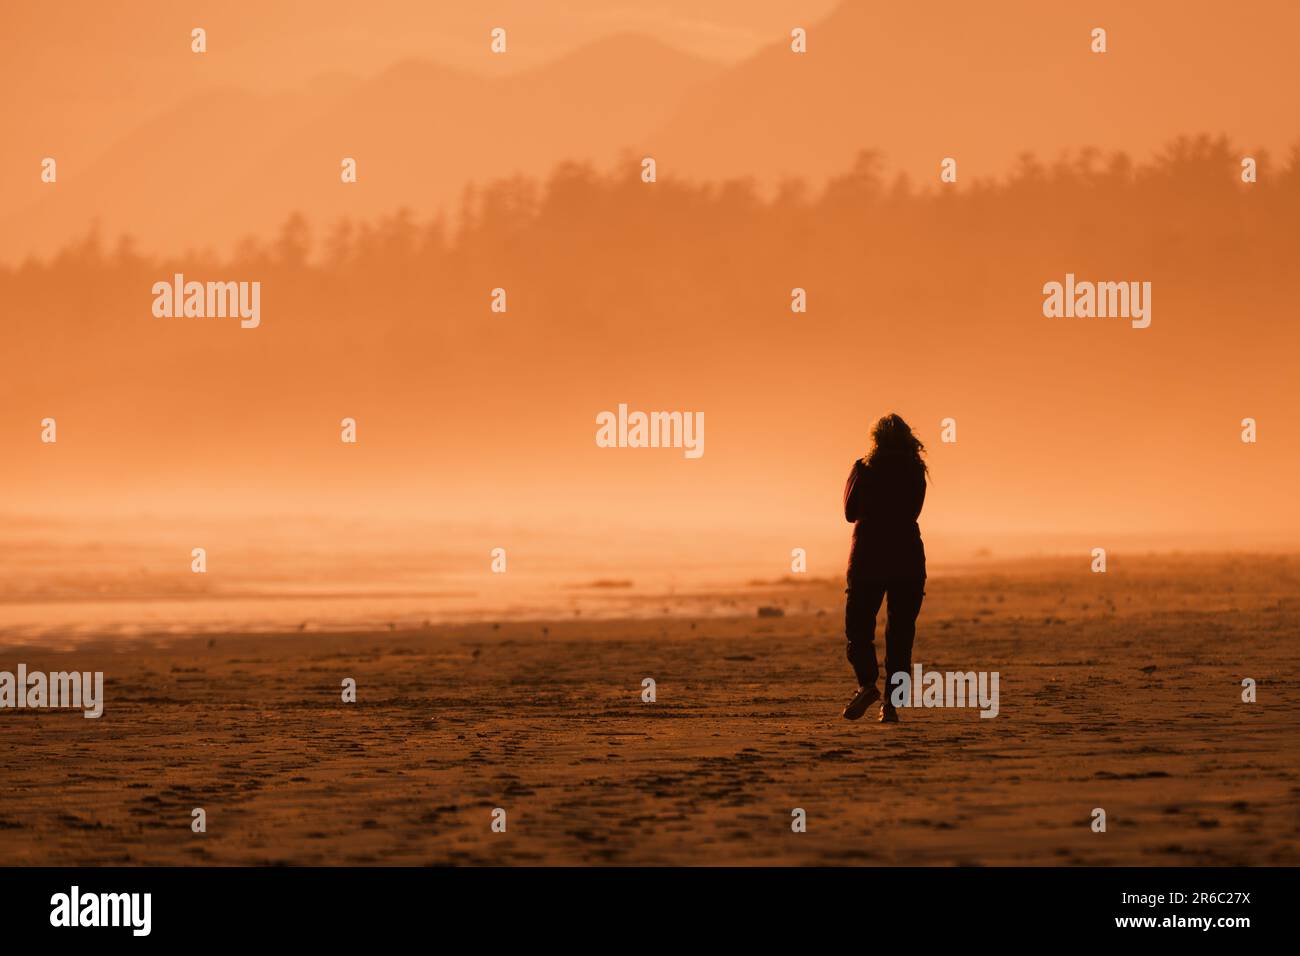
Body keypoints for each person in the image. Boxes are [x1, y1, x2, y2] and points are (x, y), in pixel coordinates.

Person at [841, 413, 928, 723]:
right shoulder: (916, 471)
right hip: (907, 556)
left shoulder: (864, 469)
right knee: (901, 634)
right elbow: (914, 509)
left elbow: (849, 512)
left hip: (868, 557)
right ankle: (891, 705)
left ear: (874, 438)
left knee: (859, 629)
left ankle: (866, 684)